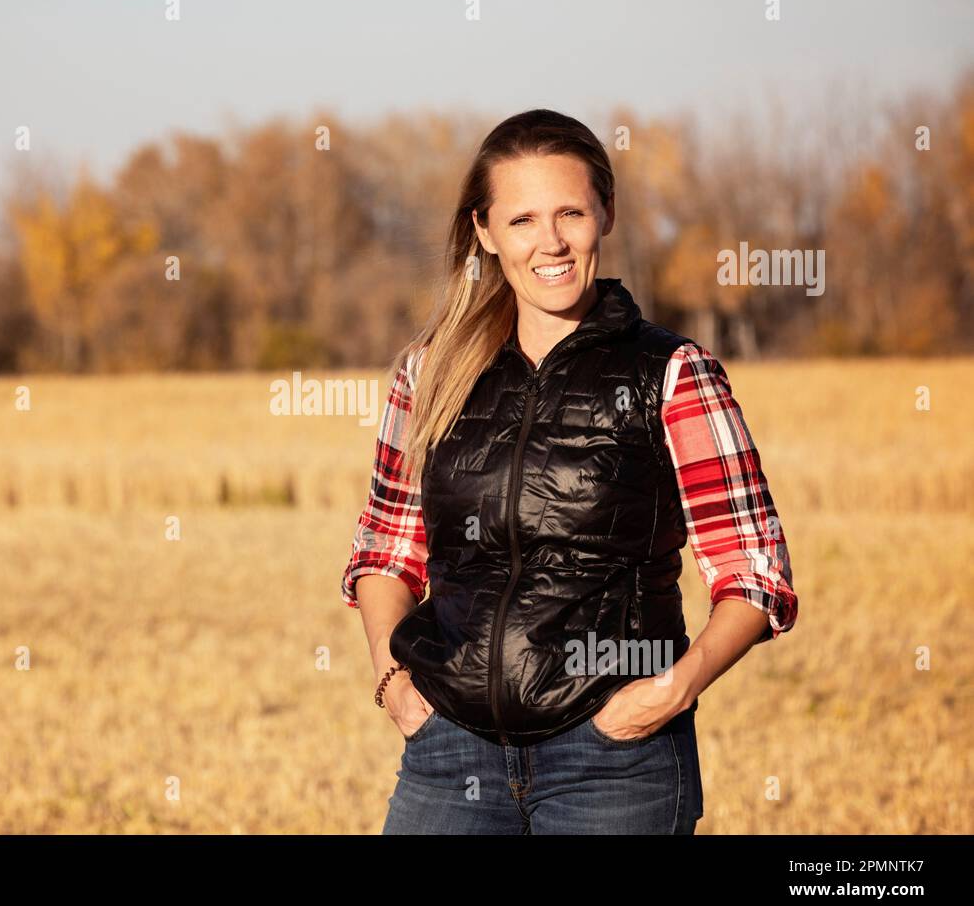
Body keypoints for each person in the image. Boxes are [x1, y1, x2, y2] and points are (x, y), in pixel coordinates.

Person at [340, 109, 798, 834]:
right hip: (448, 750)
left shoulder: (672, 373)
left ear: (605, 214)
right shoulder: (428, 372)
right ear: (485, 232)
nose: (549, 241)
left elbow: (754, 571)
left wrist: (673, 691)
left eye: (570, 213)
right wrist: (393, 681)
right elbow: (387, 547)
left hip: (612, 762)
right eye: (522, 219)